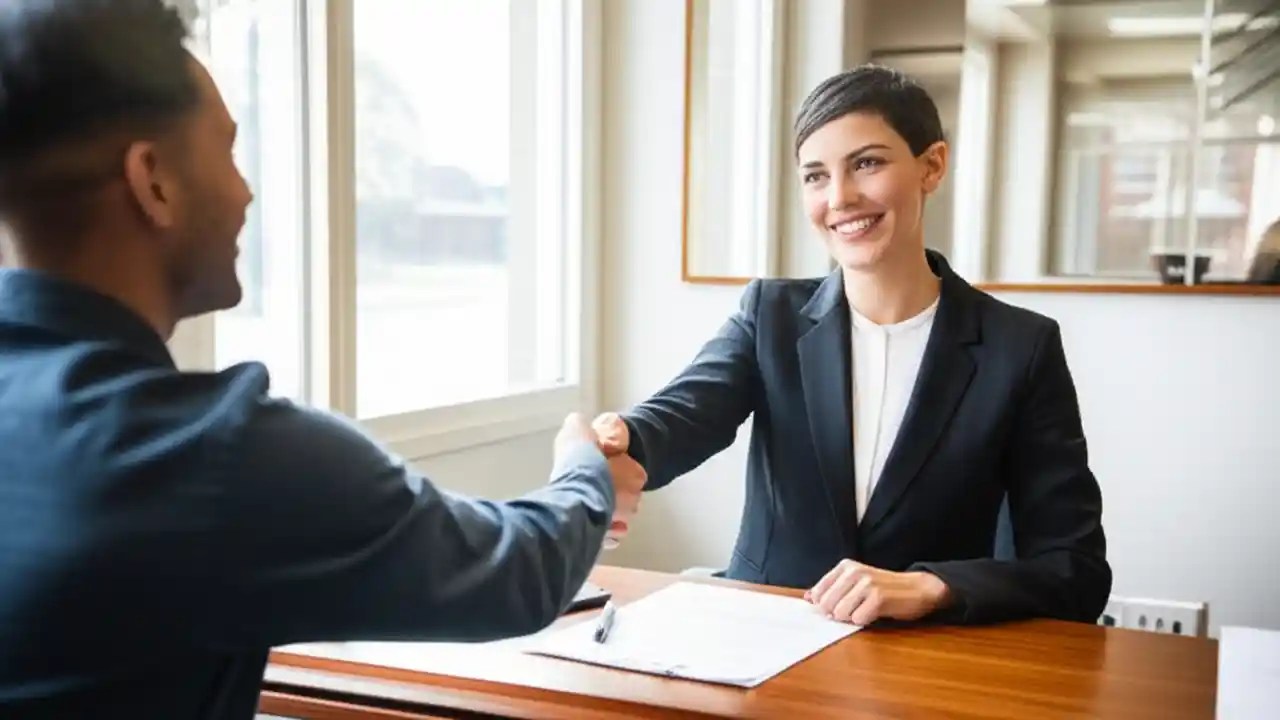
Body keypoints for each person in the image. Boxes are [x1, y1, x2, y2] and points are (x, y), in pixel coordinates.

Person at [0, 2, 645, 717]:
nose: (246, 192)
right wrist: (583, 466)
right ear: (154, 181)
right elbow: (520, 571)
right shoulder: (214, 455)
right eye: (228, 151)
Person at [593, 65, 1111, 627]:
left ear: (931, 165)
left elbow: (1075, 570)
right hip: (763, 642)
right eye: (816, 176)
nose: (839, 197)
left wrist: (931, 587)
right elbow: (686, 413)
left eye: (866, 163)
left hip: (927, 661)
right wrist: (623, 442)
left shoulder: (1021, 348)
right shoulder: (770, 316)